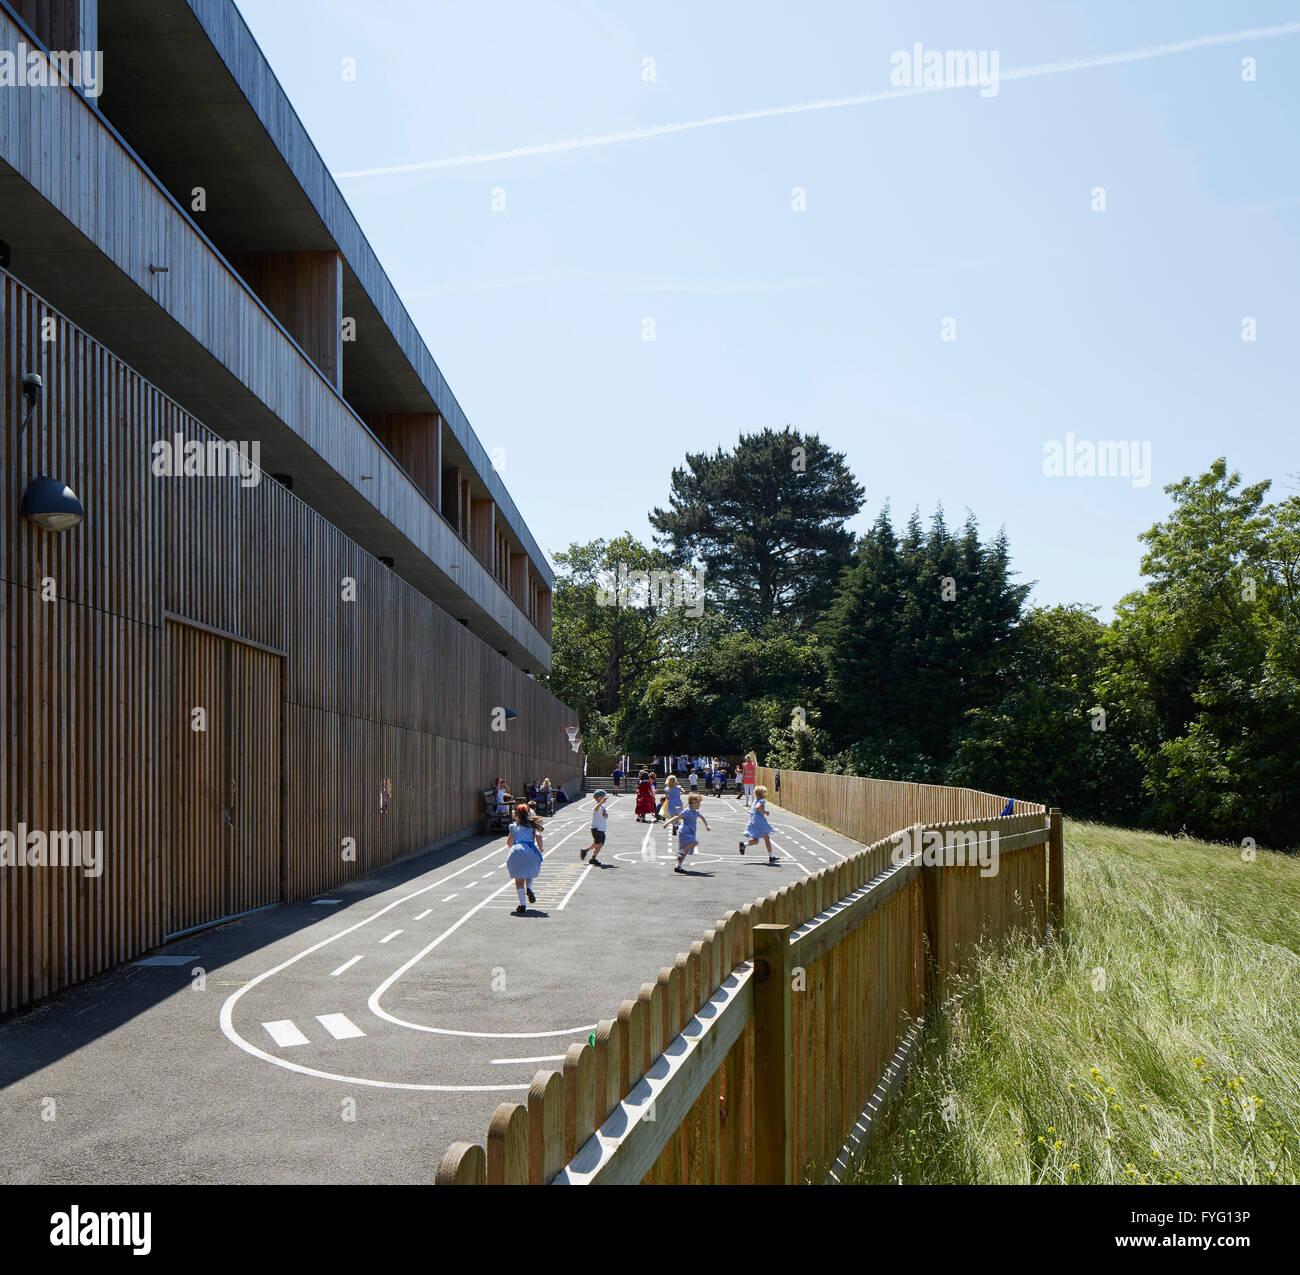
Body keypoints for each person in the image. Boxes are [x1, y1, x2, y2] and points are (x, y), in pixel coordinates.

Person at [505, 803, 544, 914]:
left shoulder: (513, 826)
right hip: (530, 849)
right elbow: (539, 836)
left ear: (516, 814)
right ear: (528, 814)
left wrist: (513, 839)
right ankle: (530, 888)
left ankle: (522, 905)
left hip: (517, 850)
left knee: (519, 880)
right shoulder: (532, 826)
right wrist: (540, 848)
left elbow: (509, 843)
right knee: (529, 871)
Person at [668, 793, 710, 873]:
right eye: (698, 803)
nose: (699, 804)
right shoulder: (687, 811)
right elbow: (678, 817)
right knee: (694, 842)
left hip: (690, 832)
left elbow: (702, 817)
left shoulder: (695, 811)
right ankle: (680, 853)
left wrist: (707, 826)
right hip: (685, 831)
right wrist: (667, 823)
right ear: (693, 803)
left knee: (686, 851)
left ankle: (678, 866)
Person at [739, 785, 779, 865]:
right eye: (764, 792)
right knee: (766, 838)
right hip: (759, 822)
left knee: (756, 841)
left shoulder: (755, 800)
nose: (765, 794)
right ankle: (771, 857)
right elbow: (757, 808)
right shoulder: (761, 801)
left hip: (753, 821)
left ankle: (744, 845)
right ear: (762, 794)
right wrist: (765, 812)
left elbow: (754, 809)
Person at [582, 789, 609, 864]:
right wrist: (601, 802)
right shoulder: (598, 806)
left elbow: (605, 816)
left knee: (600, 844)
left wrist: (605, 815)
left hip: (601, 828)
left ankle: (593, 857)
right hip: (596, 829)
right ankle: (586, 850)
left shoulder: (602, 807)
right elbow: (596, 808)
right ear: (598, 798)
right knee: (599, 843)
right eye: (603, 797)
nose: (605, 798)